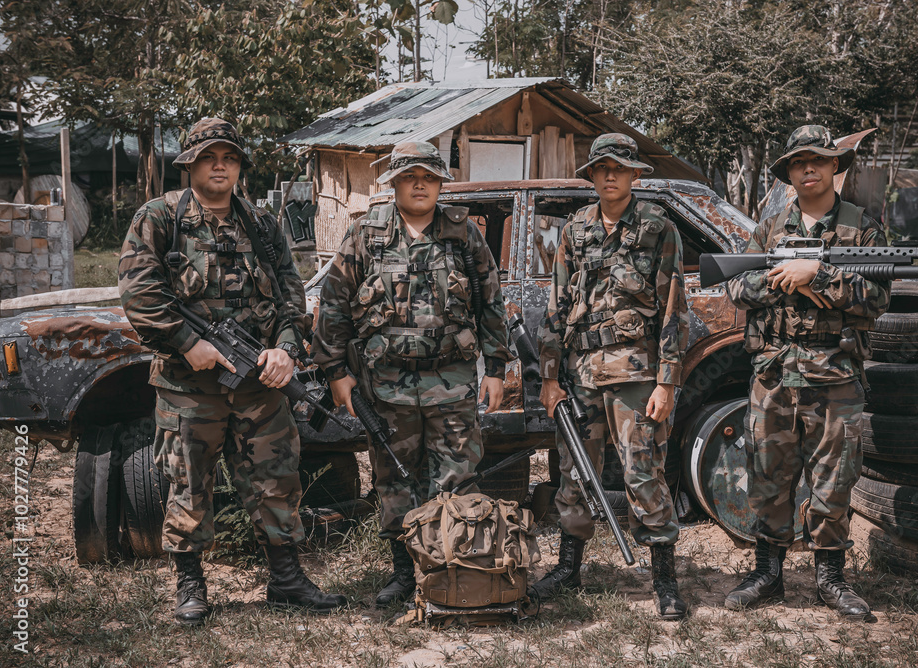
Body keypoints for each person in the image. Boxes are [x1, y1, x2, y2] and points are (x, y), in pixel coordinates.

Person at [118, 118, 346, 626]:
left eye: (229, 157)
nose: (220, 165)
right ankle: (190, 585)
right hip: (187, 386)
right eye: (208, 157)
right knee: (187, 481)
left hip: (260, 384)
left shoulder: (262, 224)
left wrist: (287, 348)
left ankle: (286, 579)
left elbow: (292, 295)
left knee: (277, 477)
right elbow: (138, 293)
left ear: (239, 166)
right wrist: (187, 343)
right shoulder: (159, 218)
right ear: (190, 165)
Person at [311, 141, 514, 607]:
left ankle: (454, 572)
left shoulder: (464, 236)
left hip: (454, 384)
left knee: (458, 479)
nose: (419, 184)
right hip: (386, 388)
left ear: (440, 182)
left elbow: (491, 303)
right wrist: (336, 372)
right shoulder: (367, 235)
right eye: (409, 176)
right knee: (393, 481)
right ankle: (405, 573)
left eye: (428, 176)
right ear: (395, 183)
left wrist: (497, 368)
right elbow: (335, 306)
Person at [723, 125, 890, 622]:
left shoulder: (864, 229)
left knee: (834, 479)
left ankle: (831, 578)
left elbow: (879, 298)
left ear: (835, 167)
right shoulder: (770, 228)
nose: (810, 168)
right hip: (773, 373)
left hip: (834, 376)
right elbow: (735, 288)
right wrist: (783, 279)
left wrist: (819, 275)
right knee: (767, 475)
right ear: (789, 173)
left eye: (819, 160)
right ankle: (767, 573)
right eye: (799, 162)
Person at [534, 133, 691, 619]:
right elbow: (557, 305)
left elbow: (673, 309)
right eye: (601, 168)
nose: (608, 176)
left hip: (637, 375)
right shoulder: (574, 230)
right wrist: (549, 376)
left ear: (634, 175)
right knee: (574, 471)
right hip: (581, 374)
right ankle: (569, 566)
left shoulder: (657, 229)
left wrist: (667, 381)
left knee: (644, 472)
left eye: (618, 168)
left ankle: (664, 579)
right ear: (592, 175)